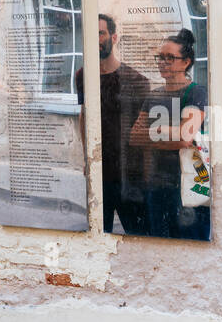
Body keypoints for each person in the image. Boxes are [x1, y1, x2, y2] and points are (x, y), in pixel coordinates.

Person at [130, 28, 210, 240]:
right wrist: (167, 136)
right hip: (156, 186)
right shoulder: (153, 95)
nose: (163, 63)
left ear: (186, 62)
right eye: (161, 57)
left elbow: (184, 138)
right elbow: (134, 137)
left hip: (187, 188)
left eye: (170, 58)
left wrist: (155, 134)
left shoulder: (196, 92)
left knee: (190, 246)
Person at [77, 13, 151, 235]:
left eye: (101, 33)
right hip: (100, 172)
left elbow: (144, 132)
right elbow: (84, 116)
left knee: (140, 235)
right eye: (92, 34)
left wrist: (146, 175)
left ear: (114, 37)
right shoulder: (82, 76)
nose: (96, 39)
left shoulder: (136, 80)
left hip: (130, 175)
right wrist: (86, 158)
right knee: (99, 234)